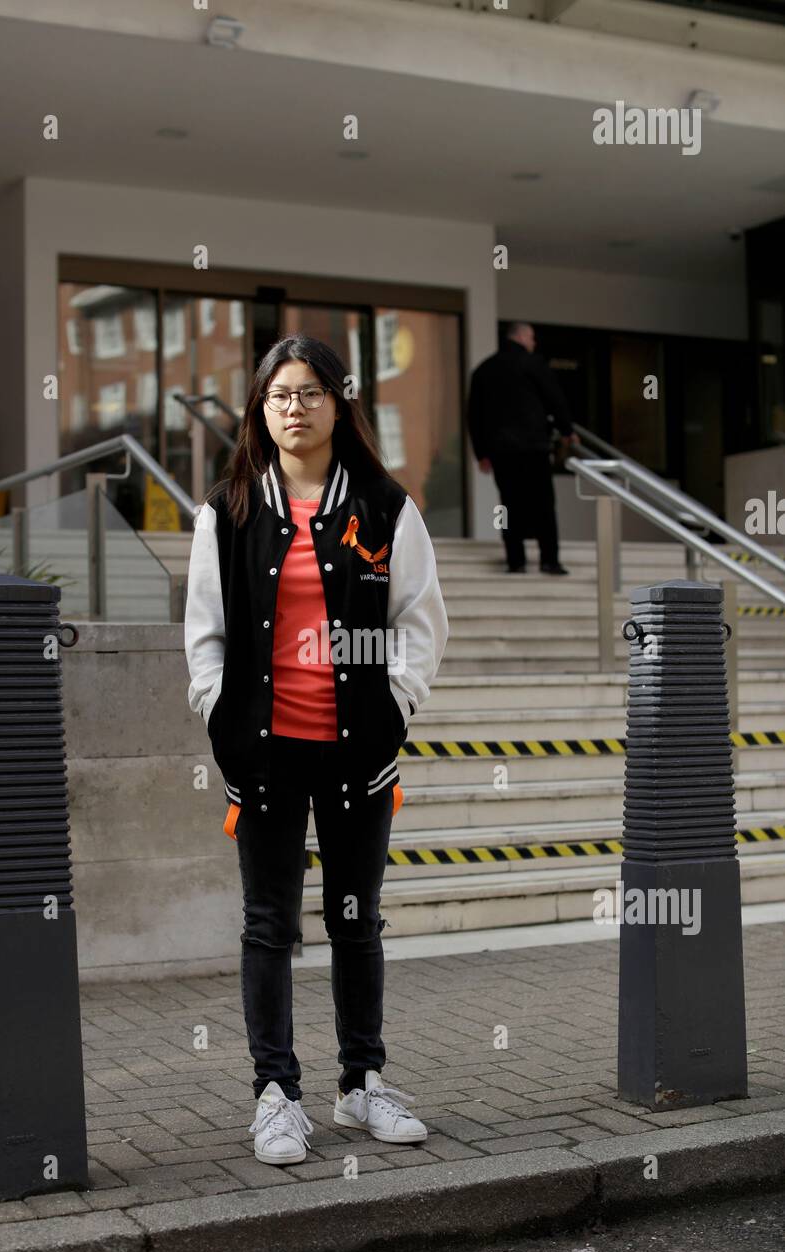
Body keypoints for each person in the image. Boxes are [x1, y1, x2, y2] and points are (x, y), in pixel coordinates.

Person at [184, 335, 449, 1165]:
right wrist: (218, 713)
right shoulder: (227, 511)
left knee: (355, 919)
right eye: (278, 395)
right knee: (268, 926)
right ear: (261, 409)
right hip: (263, 754)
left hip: (354, 754)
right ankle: (277, 1096)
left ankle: (360, 1085)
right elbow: (206, 635)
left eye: (309, 392)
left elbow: (420, 621)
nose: (293, 408)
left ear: (339, 402)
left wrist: (393, 705)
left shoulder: (383, 506)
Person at [467, 322, 579, 575]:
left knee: (508, 504)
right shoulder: (533, 363)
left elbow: (474, 415)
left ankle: (515, 560)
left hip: (501, 450)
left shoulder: (484, 370)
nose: (534, 342)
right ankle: (549, 559)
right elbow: (555, 397)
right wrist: (567, 430)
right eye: (531, 337)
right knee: (543, 502)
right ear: (519, 337)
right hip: (533, 445)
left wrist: (482, 453)